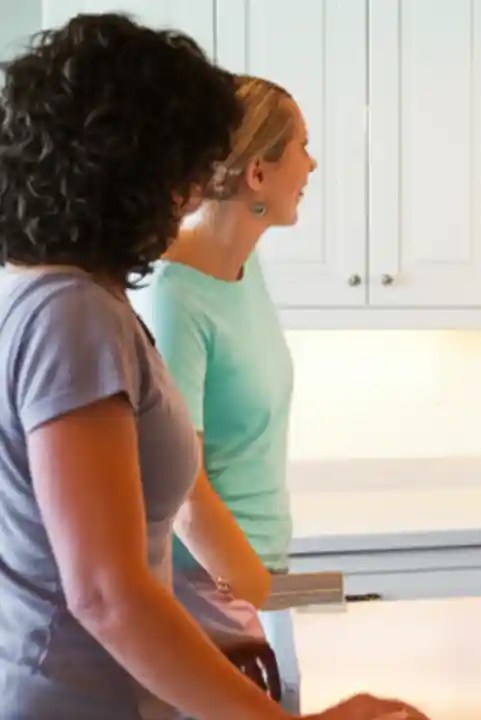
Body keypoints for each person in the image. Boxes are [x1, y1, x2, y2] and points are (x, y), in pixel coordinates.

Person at [0, 13, 426, 719]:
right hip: (76, 698)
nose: (197, 189)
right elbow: (107, 592)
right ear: (129, 169)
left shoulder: (69, 296)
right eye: (184, 166)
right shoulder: (71, 314)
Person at [130, 74, 310, 711]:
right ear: (257, 174)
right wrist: (263, 592)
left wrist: (285, 590)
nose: (311, 166)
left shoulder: (242, 265)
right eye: (301, 148)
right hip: (210, 588)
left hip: (262, 573)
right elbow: (185, 492)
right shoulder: (173, 295)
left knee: (362, 624)